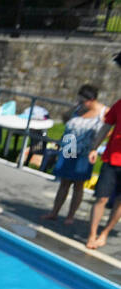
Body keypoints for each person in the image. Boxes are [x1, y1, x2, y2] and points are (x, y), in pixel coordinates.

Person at [43, 84, 106, 226]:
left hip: (84, 151)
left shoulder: (102, 112)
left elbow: (107, 130)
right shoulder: (78, 108)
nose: (82, 103)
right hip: (69, 145)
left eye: (84, 100)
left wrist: (95, 146)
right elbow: (66, 119)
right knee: (64, 182)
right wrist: (74, 107)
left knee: (78, 184)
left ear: (92, 99)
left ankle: (70, 216)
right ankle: (54, 212)